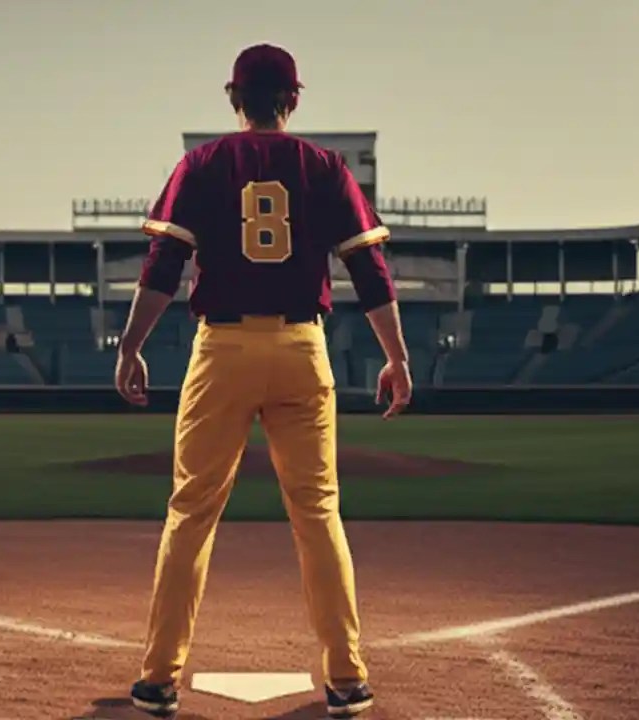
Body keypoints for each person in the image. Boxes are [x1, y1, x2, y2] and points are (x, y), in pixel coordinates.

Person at [114, 43, 412, 719]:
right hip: (303, 346)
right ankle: (346, 677)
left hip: (220, 346)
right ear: (294, 100)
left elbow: (163, 265)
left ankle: (159, 678)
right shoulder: (325, 166)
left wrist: (131, 345)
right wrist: (395, 355)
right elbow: (370, 273)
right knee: (317, 513)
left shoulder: (203, 163)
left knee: (191, 512)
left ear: (233, 98)